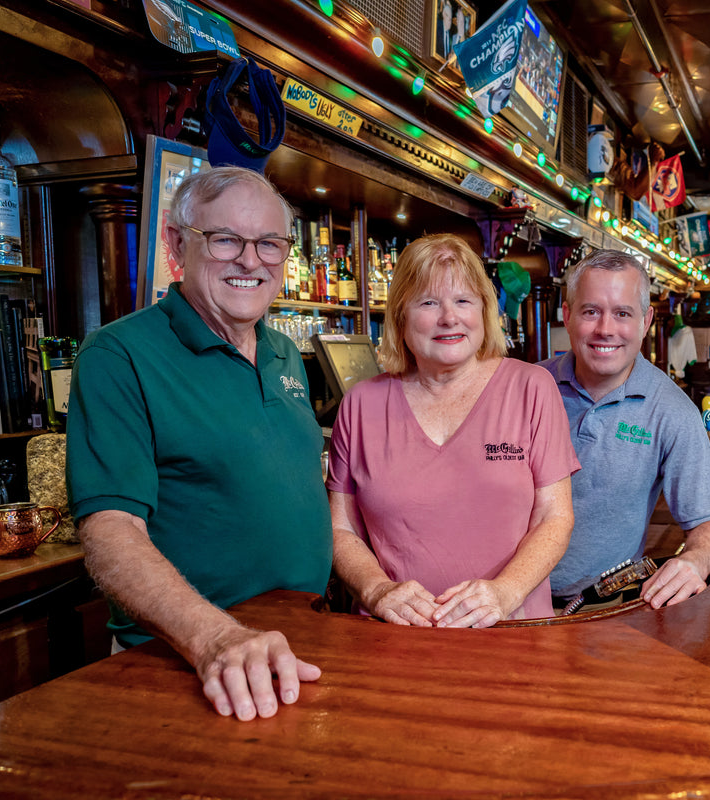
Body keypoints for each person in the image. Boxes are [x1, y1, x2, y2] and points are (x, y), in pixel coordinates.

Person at [66, 166, 333, 722]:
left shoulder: (285, 353)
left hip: (300, 641)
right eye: (226, 239)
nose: (251, 261)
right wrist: (214, 638)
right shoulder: (118, 354)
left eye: (269, 243)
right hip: (185, 660)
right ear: (175, 243)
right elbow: (110, 529)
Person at [326, 233, 577, 627]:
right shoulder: (360, 404)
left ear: (484, 310)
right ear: (401, 316)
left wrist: (505, 592)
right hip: (394, 636)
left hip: (513, 630)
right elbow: (340, 527)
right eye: (428, 302)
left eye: (463, 301)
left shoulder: (531, 388)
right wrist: (376, 590)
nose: (449, 317)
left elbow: (554, 516)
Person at [541, 250, 710, 609]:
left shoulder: (672, 410)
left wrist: (694, 561)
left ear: (646, 321)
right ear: (567, 316)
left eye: (622, 314)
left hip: (597, 608)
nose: (605, 329)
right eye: (591, 311)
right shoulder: (527, 386)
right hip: (502, 600)